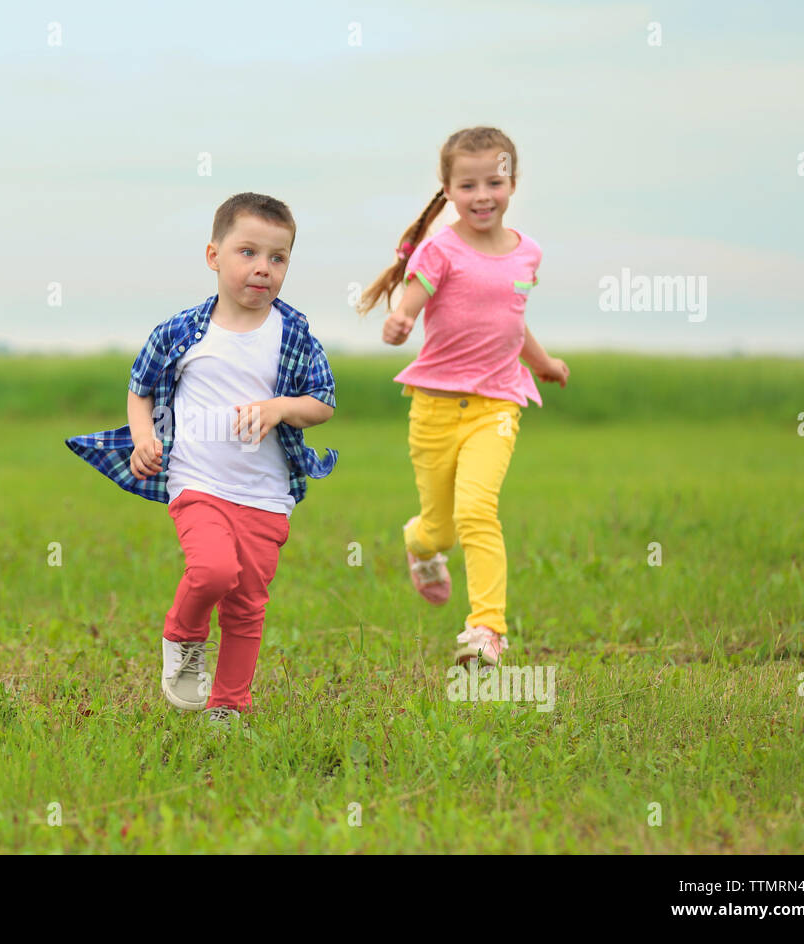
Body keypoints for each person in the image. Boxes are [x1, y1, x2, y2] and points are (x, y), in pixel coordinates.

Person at [67, 193, 338, 731]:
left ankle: (229, 707)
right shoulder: (183, 331)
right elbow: (139, 386)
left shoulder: (294, 333)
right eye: (247, 252)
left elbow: (322, 401)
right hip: (198, 482)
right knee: (212, 570)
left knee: (247, 605)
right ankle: (182, 633)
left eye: (278, 257)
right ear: (214, 256)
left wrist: (279, 407)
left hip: (265, 493)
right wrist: (144, 437)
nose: (262, 267)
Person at [358, 127, 569, 668]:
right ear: (447, 189)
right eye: (468, 184)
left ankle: (486, 631)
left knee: (478, 510)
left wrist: (542, 363)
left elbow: (511, 321)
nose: (483, 195)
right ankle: (419, 545)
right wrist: (402, 318)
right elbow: (414, 296)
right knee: (439, 527)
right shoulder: (441, 250)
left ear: (513, 184)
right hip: (433, 406)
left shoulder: (528, 254)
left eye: (494, 182)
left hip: (497, 404)